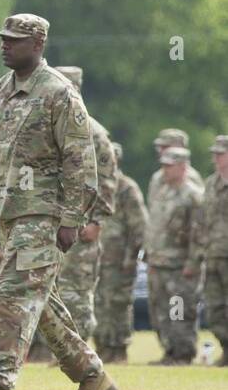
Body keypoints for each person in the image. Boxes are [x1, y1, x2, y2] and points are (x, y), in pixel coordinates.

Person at [0, 14, 117, 390]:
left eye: (14, 40)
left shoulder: (59, 94)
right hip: (9, 216)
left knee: (12, 296)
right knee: (40, 304)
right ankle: (93, 377)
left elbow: (81, 163)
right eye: (3, 39)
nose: (4, 45)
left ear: (39, 44)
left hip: (43, 216)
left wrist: (71, 220)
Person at [50, 67, 117, 346]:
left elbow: (108, 179)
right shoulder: (54, 126)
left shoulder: (94, 132)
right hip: (56, 222)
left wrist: (97, 221)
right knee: (55, 288)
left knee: (78, 289)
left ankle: (81, 347)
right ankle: (62, 348)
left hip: (83, 224)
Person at [143, 146, 203, 365]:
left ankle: (182, 353)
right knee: (160, 310)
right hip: (158, 263)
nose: (165, 170)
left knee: (178, 310)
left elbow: (199, 234)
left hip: (180, 266)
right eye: (164, 166)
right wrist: (149, 257)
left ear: (183, 167)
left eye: (170, 166)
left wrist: (193, 262)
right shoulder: (161, 192)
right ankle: (169, 351)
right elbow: (153, 228)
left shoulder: (194, 196)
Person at [93, 141, 146, 363]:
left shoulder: (126, 188)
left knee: (119, 304)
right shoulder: (96, 187)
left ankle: (119, 350)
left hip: (121, 260)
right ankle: (103, 347)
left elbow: (139, 227)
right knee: (99, 304)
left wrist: (132, 258)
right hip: (98, 259)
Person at [194, 135, 228, 365]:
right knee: (214, 307)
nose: (215, 158)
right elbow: (203, 221)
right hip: (213, 255)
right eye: (214, 154)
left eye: (220, 153)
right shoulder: (210, 183)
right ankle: (226, 349)